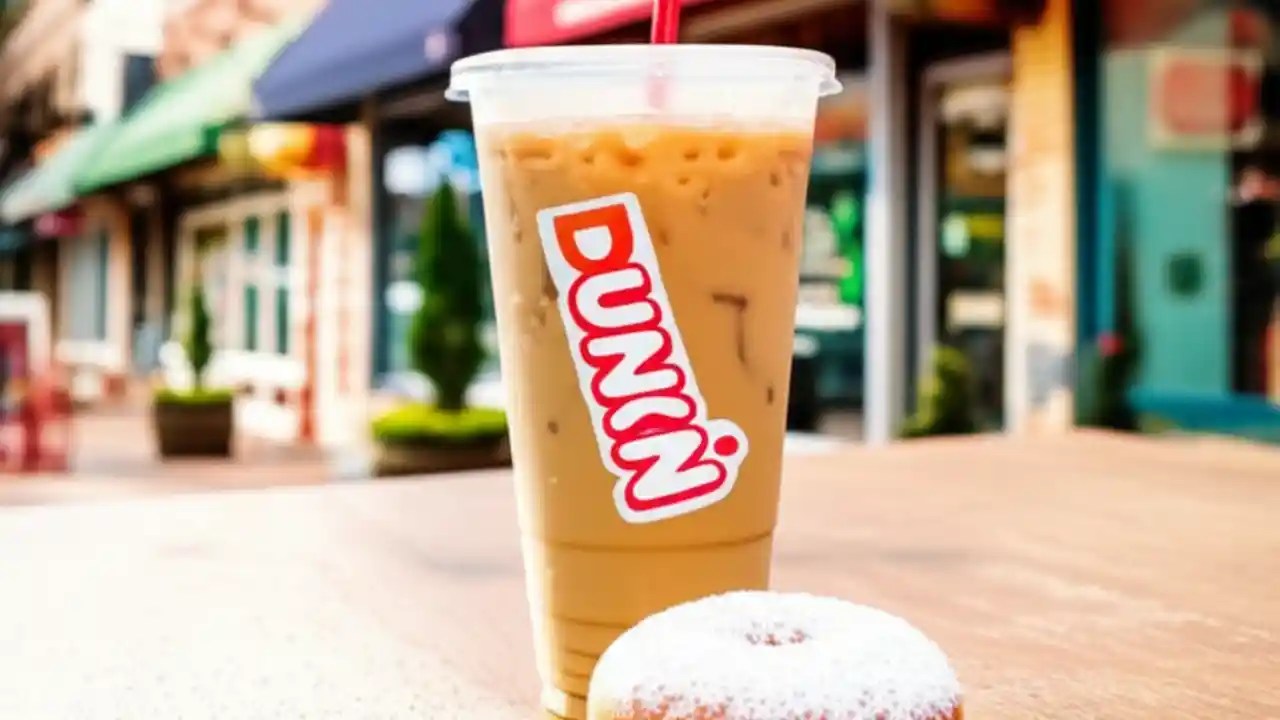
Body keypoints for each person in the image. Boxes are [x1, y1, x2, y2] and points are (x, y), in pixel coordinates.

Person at [1231, 164, 1279, 395]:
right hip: (1245, 285)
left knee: (1254, 342)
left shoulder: (1264, 211)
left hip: (1258, 285)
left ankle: (1252, 389)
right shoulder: (1246, 211)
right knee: (1246, 342)